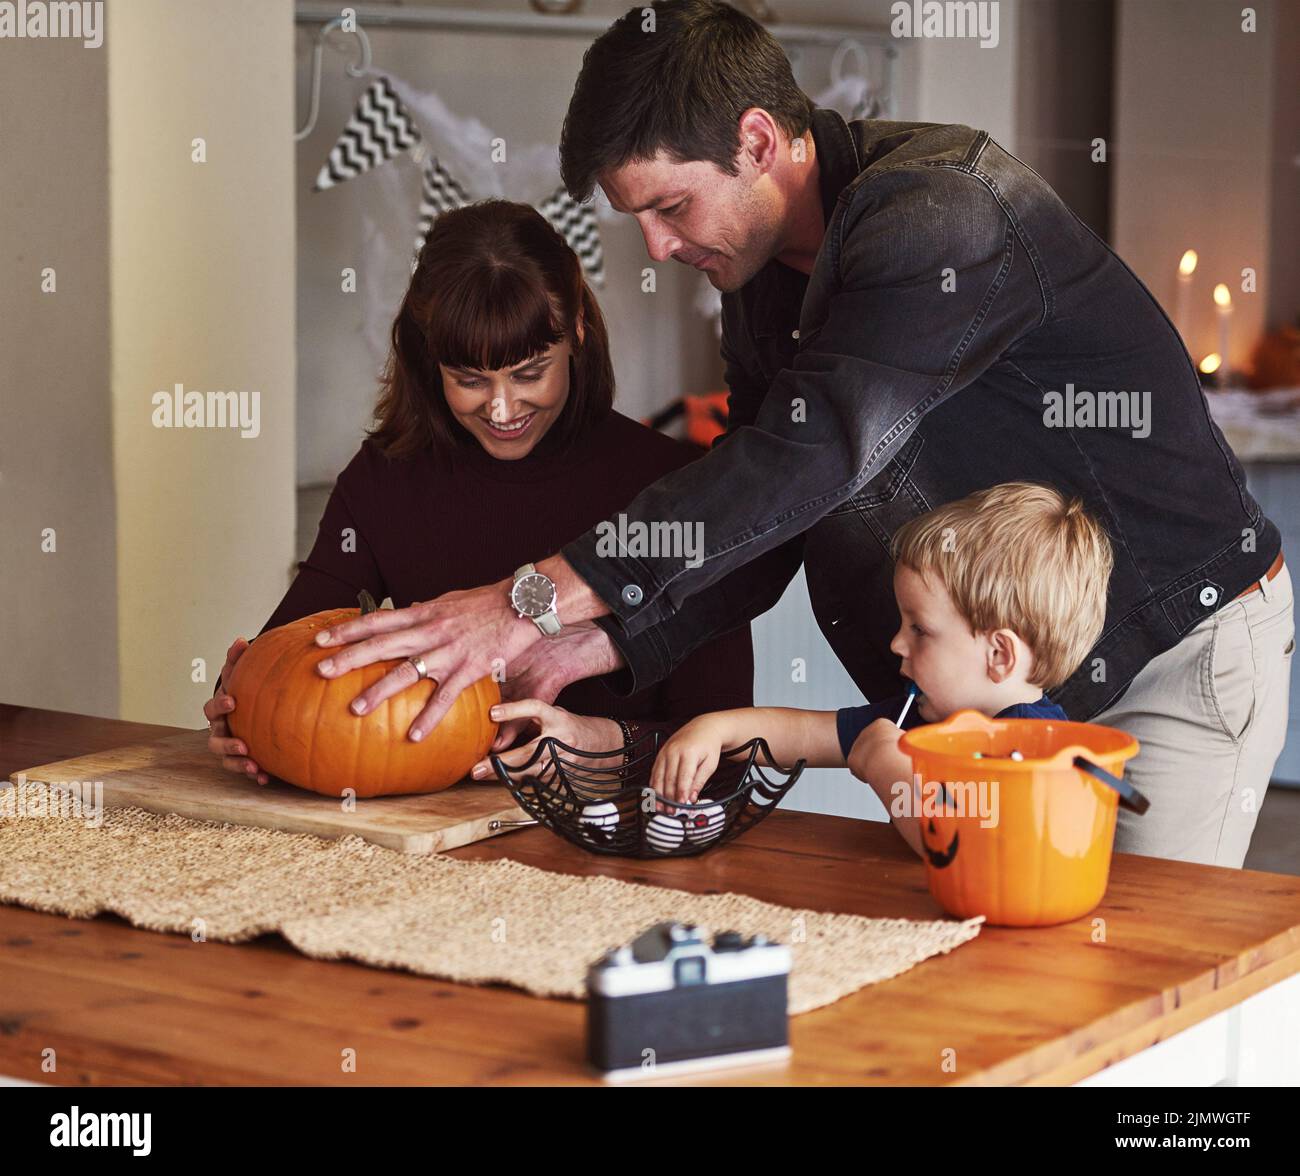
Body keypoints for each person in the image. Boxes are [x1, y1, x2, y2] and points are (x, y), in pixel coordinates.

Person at [303, 1, 1292, 868]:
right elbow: (773, 519)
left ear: (761, 140)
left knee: (1131, 985)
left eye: (671, 206)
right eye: (634, 219)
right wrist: (592, 647)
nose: (654, 247)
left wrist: (532, 599)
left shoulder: (945, 216)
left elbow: (805, 457)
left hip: (1166, 651)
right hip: (992, 686)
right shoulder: (759, 283)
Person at [202, 199, 753, 783]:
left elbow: (726, 753)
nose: (501, 408)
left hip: (620, 843)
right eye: (469, 380)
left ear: (578, 331)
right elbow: (295, 650)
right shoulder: (386, 478)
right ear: (430, 355)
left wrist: (594, 746)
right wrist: (242, 705)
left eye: (529, 372)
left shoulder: (673, 490)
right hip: (440, 840)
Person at [649, 483, 1111, 857]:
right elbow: (805, 735)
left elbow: (958, 845)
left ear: (1000, 656)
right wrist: (713, 729)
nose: (895, 643)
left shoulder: (1040, 745)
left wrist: (883, 761)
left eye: (920, 630)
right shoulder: (921, 719)